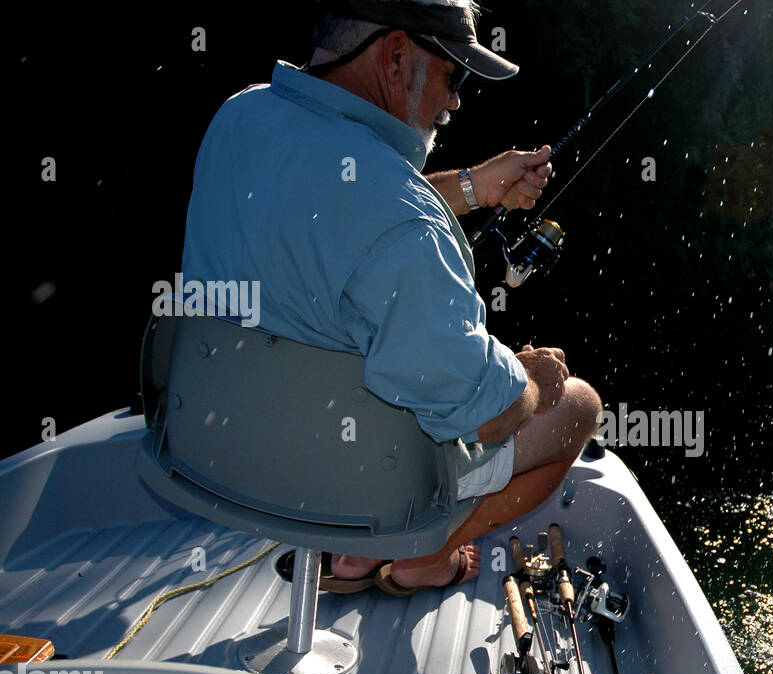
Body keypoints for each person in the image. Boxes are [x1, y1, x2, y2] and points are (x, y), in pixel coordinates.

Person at [182, 0, 600, 594]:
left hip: (214, 451)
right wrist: (531, 378)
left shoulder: (238, 118)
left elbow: (336, 214)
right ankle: (425, 556)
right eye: (454, 76)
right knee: (577, 406)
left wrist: (474, 188)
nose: (455, 100)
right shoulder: (405, 223)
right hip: (338, 482)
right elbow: (491, 416)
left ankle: (347, 558)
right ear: (397, 56)